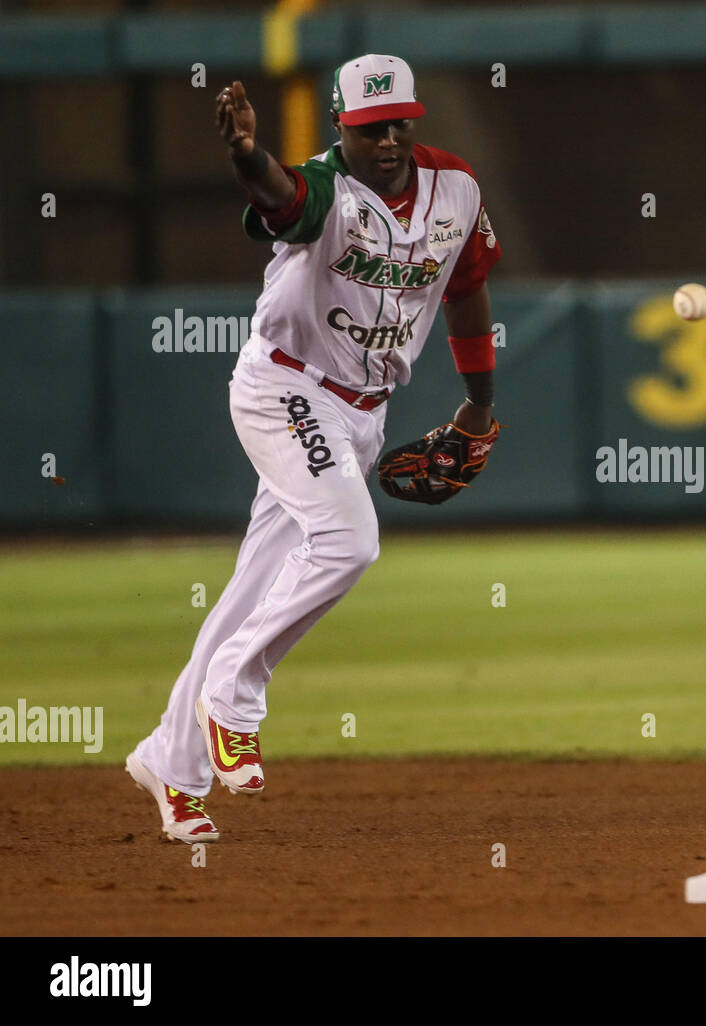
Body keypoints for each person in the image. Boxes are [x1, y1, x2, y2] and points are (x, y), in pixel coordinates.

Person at [126, 54, 502, 841]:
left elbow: (466, 288)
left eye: (399, 120)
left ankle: (173, 762)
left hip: (362, 415)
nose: (389, 138)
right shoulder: (326, 189)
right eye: (370, 128)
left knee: (251, 589)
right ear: (342, 128)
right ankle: (233, 694)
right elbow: (282, 197)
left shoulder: (456, 190)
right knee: (349, 539)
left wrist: (477, 405)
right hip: (285, 390)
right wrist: (245, 158)